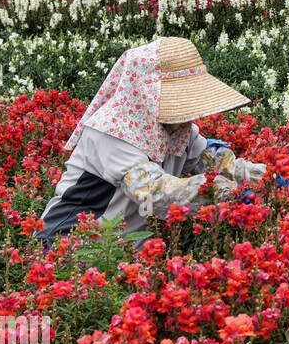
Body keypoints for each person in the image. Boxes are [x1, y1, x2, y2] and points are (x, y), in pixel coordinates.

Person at [37, 38, 265, 242]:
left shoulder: (176, 128)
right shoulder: (112, 131)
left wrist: (266, 177)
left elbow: (212, 160)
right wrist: (224, 191)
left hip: (119, 252)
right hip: (68, 245)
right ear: (148, 92)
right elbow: (155, 193)